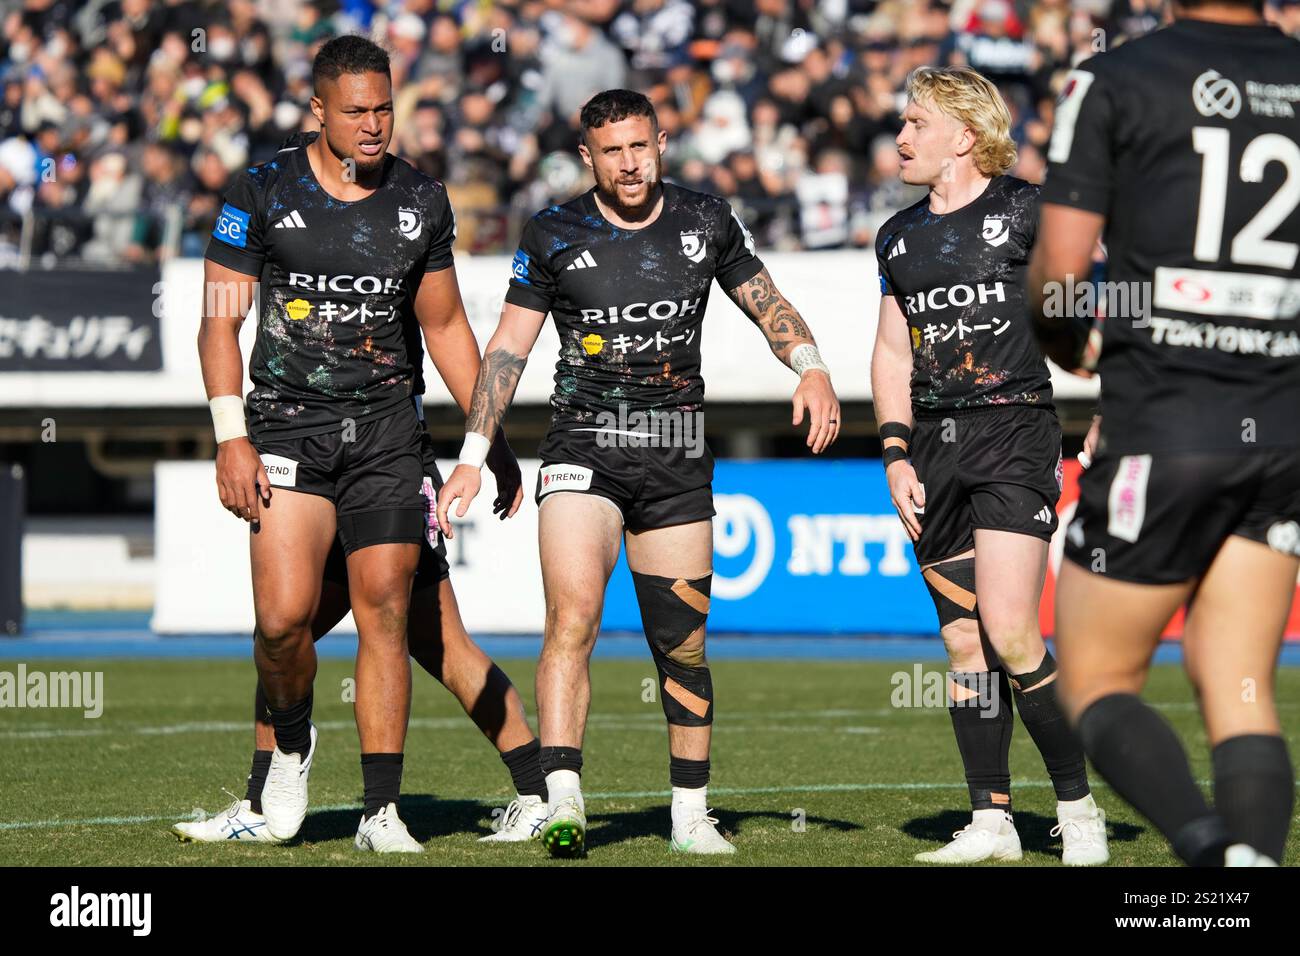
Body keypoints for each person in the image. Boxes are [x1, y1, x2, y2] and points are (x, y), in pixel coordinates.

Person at [438, 88, 841, 857]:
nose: (630, 163)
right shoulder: (553, 232)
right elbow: (506, 352)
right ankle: (564, 800)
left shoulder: (705, 220)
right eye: (612, 151)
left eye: (641, 146)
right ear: (588, 158)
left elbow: (767, 302)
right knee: (573, 620)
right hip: (583, 448)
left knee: (682, 647)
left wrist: (813, 367)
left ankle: (690, 815)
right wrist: (470, 458)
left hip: (677, 454)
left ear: (662, 140)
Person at [197, 35, 524, 852]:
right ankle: (293, 747)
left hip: (387, 438)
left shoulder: (421, 198)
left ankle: (382, 811)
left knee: (385, 613)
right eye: (356, 111)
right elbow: (218, 319)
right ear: (318, 111)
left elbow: (446, 325)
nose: (374, 124)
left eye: (383, 107)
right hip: (285, 431)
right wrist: (230, 437)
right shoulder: (261, 189)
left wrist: (489, 433)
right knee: (282, 624)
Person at [1030, 0, 1300, 866]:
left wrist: (1074, 344)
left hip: (1170, 421)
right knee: (1242, 686)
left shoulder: (1118, 75)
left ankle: (1215, 858)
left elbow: (1058, 282)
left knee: (1096, 679)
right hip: (1286, 429)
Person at [872, 66, 1107, 865]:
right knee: (964, 645)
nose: (900, 138)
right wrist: (895, 449)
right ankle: (992, 821)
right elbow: (891, 347)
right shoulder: (897, 236)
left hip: (1016, 431)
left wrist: (1122, 398)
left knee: (1010, 629)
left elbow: (1099, 306)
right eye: (900, 124)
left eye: (914, 123)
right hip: (932, 449)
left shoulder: (1029, 210)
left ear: (964, 136)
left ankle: (1078, 814)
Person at [172, 425, 549, 846]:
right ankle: (262, 802)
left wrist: (490, 447)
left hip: (388, 469)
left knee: (438, 641)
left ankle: (535, 794)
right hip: (322, 471)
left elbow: (457, 358)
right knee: (283, 634)